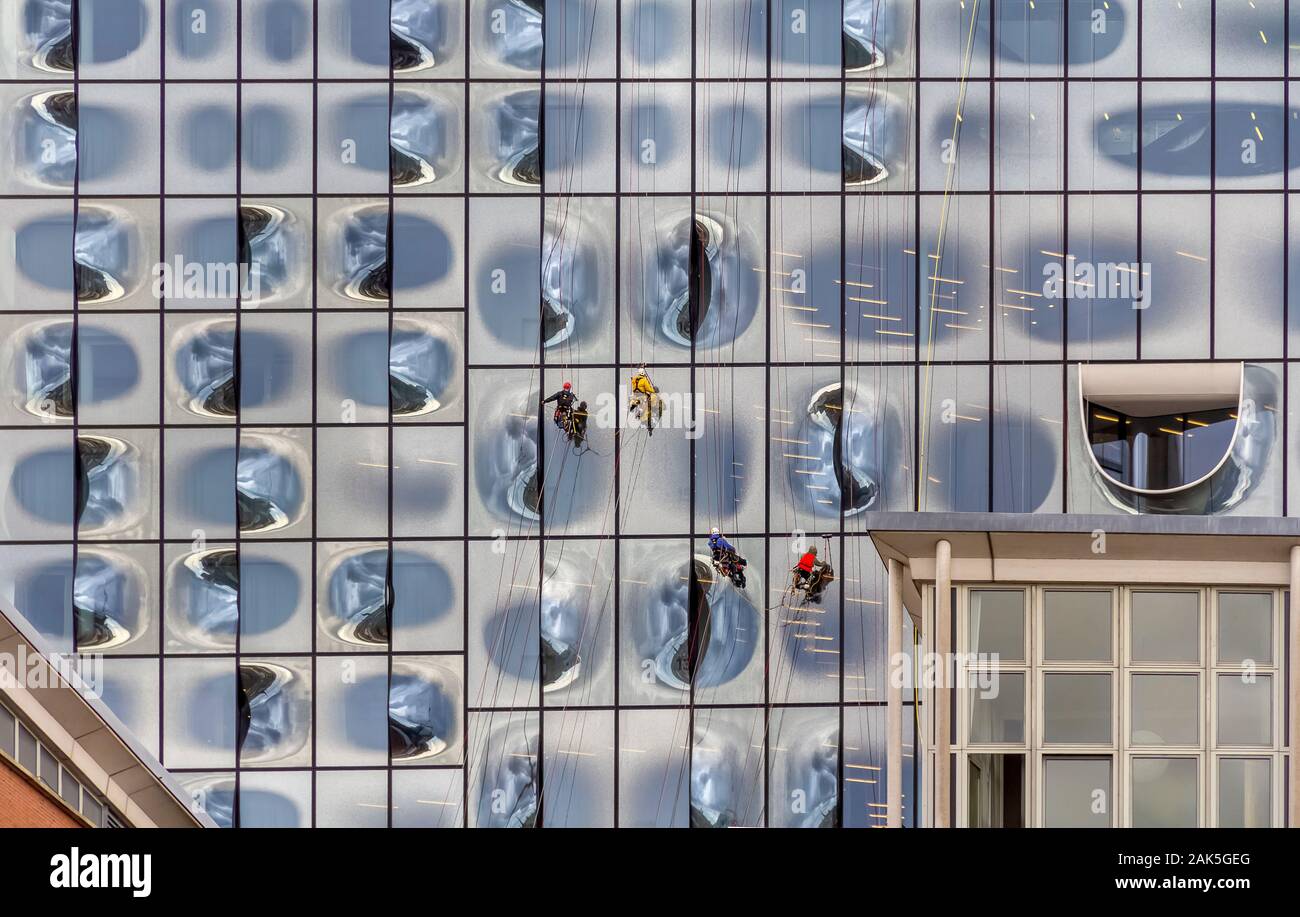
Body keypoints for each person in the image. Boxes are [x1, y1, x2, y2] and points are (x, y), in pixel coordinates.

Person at [628, 368, 661, 433]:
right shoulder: (644, 380)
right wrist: (653, 391)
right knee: (645, 401)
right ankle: (640, 411)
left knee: (638, 400)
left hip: (636, 393)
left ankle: (634, 405)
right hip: (641, 394)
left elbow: (633, 382)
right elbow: (648, 388)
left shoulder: (635, 379)